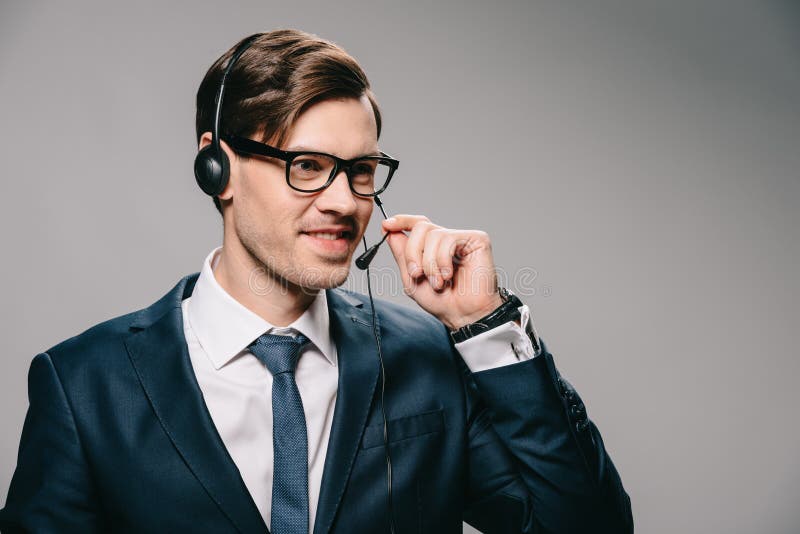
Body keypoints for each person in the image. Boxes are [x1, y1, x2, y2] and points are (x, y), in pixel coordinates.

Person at [0, 29, 632, 533]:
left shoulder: (427, 357)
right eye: (306, 165)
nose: (344, 201)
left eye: (361, 170)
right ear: (217, 164)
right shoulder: (84, 385)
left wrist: (485, 326)